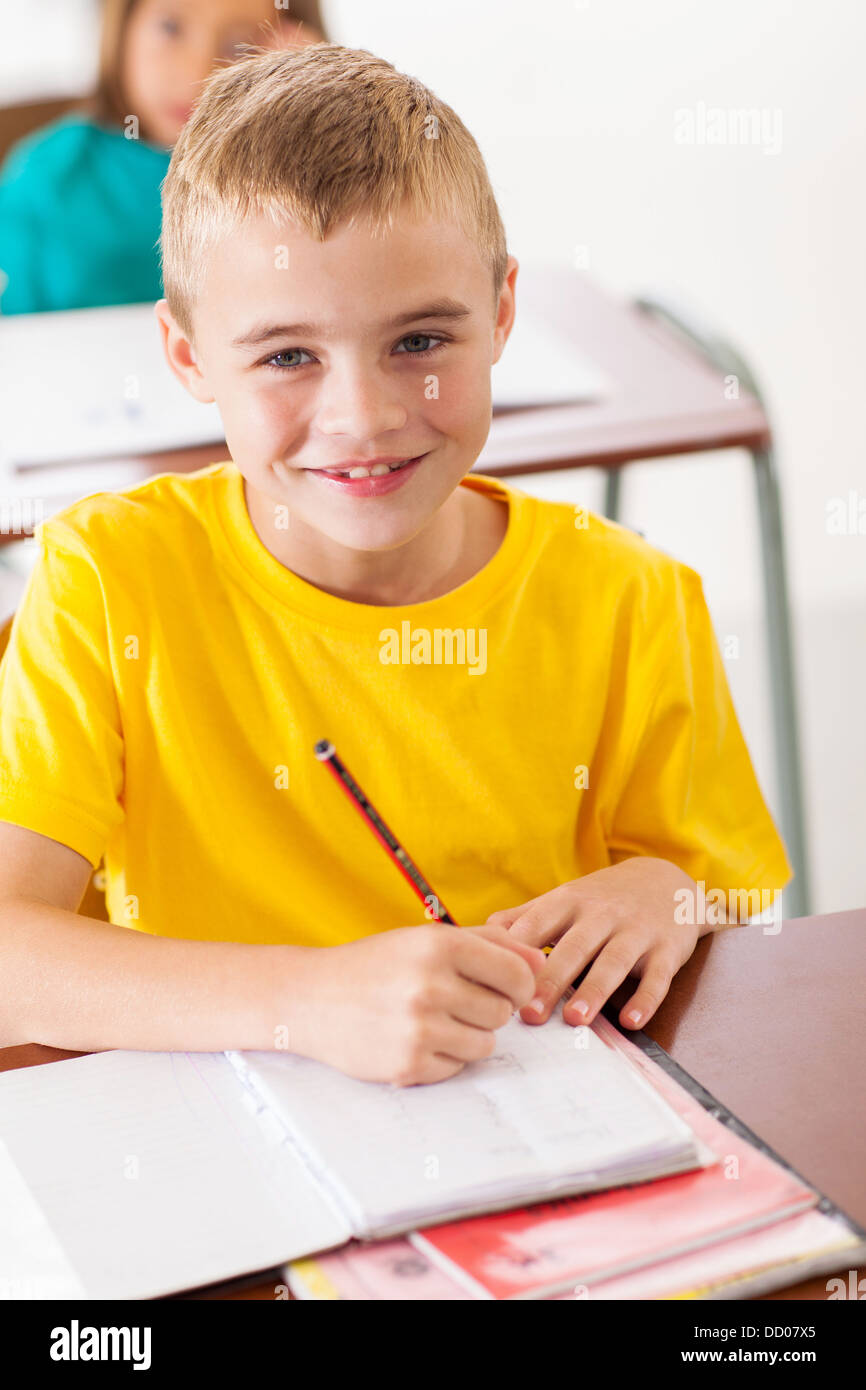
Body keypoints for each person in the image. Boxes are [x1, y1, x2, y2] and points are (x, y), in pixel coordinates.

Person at [0, 45, 792, 1086]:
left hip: (530, 1158)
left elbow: (723, 887)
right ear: (189, 355)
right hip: (218, 1158)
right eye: (287, 355)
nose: (363, 417)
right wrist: (309, 1001)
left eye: (420, 339)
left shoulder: (632, 601)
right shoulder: (109, 579)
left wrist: (663, 892)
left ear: (501, 311)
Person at [0, 0, 327, 313]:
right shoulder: (44, 181)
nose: (198, 72)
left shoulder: (290, 177)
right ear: (123, 22)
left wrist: (304, 120)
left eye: (240, 45)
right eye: (170, 27)